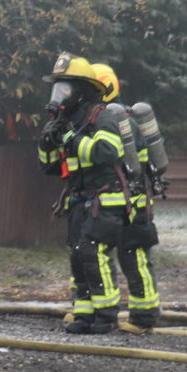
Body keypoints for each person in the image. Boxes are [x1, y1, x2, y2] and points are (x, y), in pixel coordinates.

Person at [37, 52, 131, 334]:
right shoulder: (68, 123)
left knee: (92, 253)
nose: (59, 95)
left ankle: (106, 316)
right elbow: (50, 167)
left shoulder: (101, 117)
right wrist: (47, 141)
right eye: (57, 88)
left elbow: (107, 151)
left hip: (106, 199)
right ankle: (84, 315)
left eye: (65, 88)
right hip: (80, 201)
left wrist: (69, 139)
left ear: (81, 90)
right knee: (77, 256)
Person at [91, 63, 161, 331]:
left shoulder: (121, 123)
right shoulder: (112, 119)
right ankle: (135, 315)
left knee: (135, 259)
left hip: (133, 202)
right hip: (126, 202)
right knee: (124, 257)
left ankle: (144, 318)